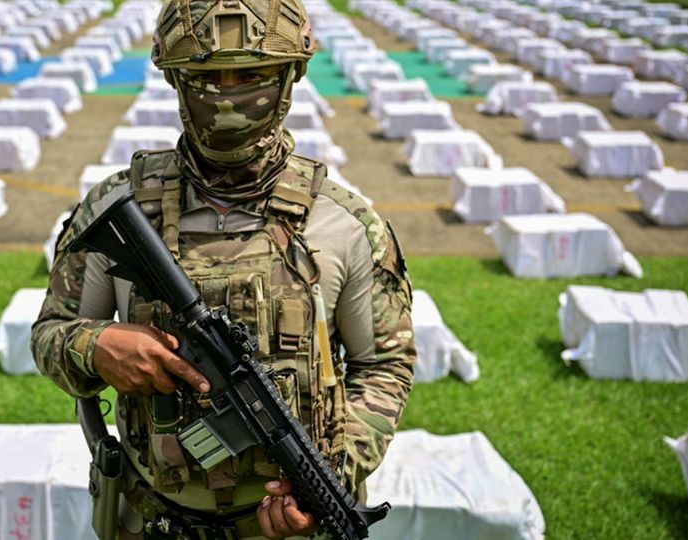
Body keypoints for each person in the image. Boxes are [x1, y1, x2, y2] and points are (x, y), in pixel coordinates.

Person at [31, 0, 416, 536]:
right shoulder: (118, 209)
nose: (227, 96)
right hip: (150, 519)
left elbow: (385, 365)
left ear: (289, 77)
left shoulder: (345, 223)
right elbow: (50, 336)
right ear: (176, 81)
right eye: (205, 78)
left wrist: (332, 474)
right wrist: (95, 348)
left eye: (252, 75)